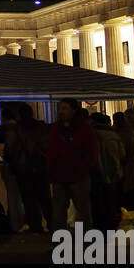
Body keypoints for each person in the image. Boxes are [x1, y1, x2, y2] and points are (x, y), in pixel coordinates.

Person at [45, 99, 98, 231]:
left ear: (74, 110)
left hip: (78, 175)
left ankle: (86, 239)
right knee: (59, 212)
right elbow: (51, 150)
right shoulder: (56, 128)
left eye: (65, 108)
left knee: (83, 211)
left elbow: (91, 152)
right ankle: (61, 241)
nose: (61, 112)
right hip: (59, 176)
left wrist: (83, 169)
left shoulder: (84, 129)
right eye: (60, 108)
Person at [89, 112, 124, 231]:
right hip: (114, 174)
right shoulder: (114, 136)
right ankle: (111, 227)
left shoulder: (91, 136)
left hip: (96, 174)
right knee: (111, 203)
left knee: (98, 204)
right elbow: (122, 155)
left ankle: (99, 228)